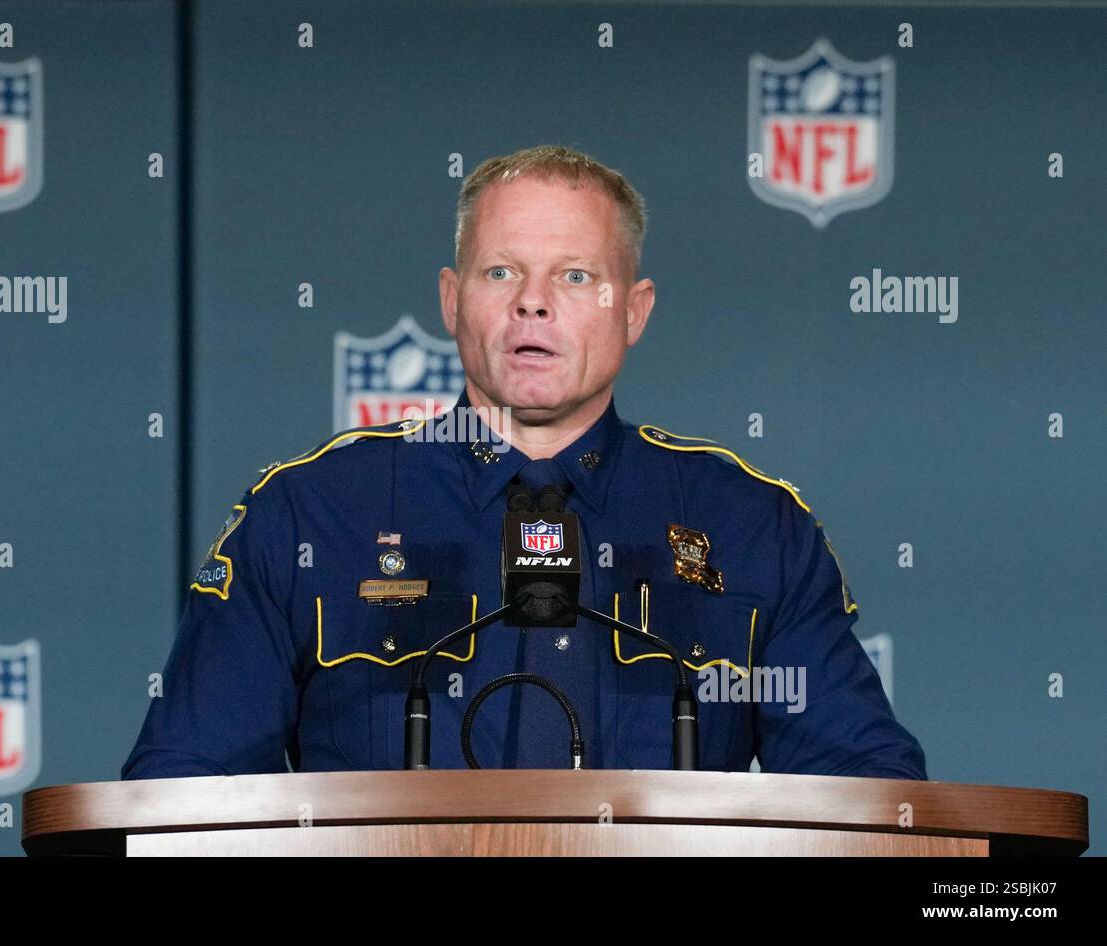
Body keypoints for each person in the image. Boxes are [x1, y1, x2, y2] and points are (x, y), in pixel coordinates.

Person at [122, 145, 927, 779]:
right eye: (501, 271)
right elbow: (182, 794)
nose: (532, 302)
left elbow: (869, 796)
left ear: (634, 312)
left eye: (575, 276)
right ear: (451, 299)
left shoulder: (751, 526)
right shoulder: (310, 512)